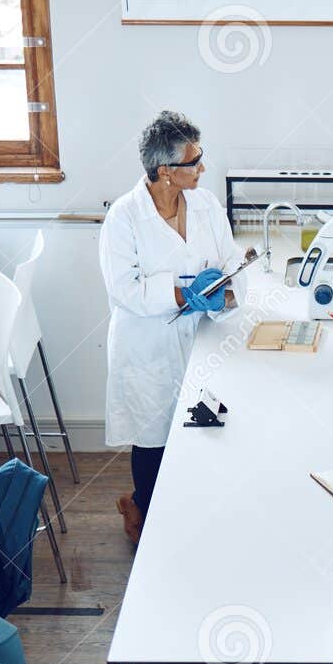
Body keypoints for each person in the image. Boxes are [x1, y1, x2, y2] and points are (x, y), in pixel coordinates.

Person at [100, 110, 246, 544]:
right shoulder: (124, 218)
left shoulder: (205, 204)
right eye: (194, 161)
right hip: (148, 344)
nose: (203, 168)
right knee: (153, 436)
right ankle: (141, 507)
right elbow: (125, 289)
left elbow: (231, 261)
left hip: (201, 337)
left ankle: (189, 508)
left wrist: (226, 292)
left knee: (206, 422)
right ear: (165, 171)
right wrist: (182, 294)